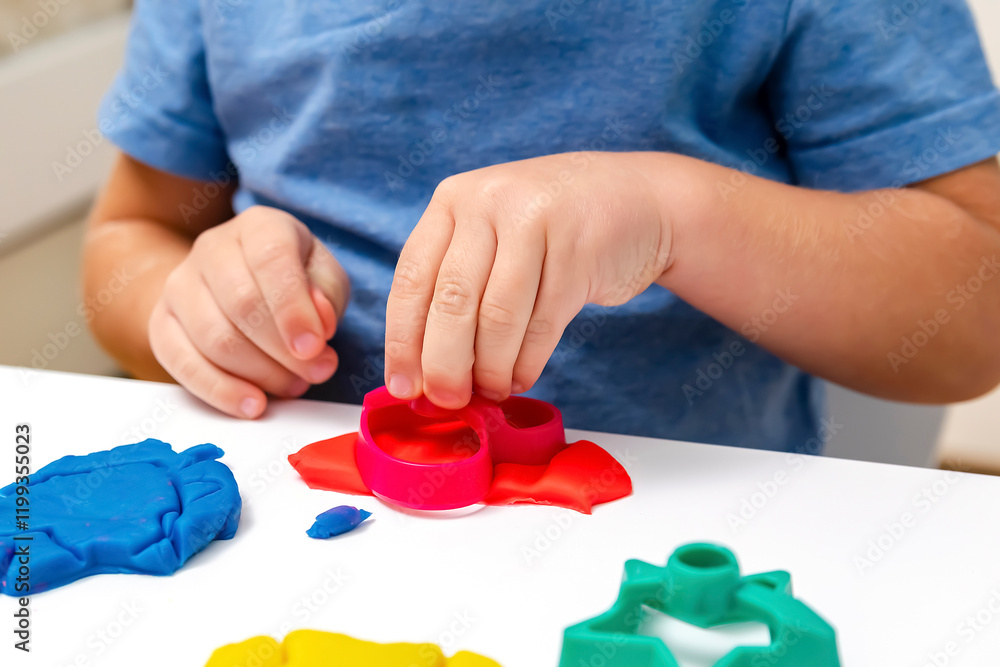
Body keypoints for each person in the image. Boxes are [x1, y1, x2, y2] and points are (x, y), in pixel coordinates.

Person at [83, 0, 1000, 453]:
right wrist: (192, 304)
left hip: (684, 541)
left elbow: (973, 315)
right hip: (293, 531)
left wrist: (677, 216)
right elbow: (130, 233)